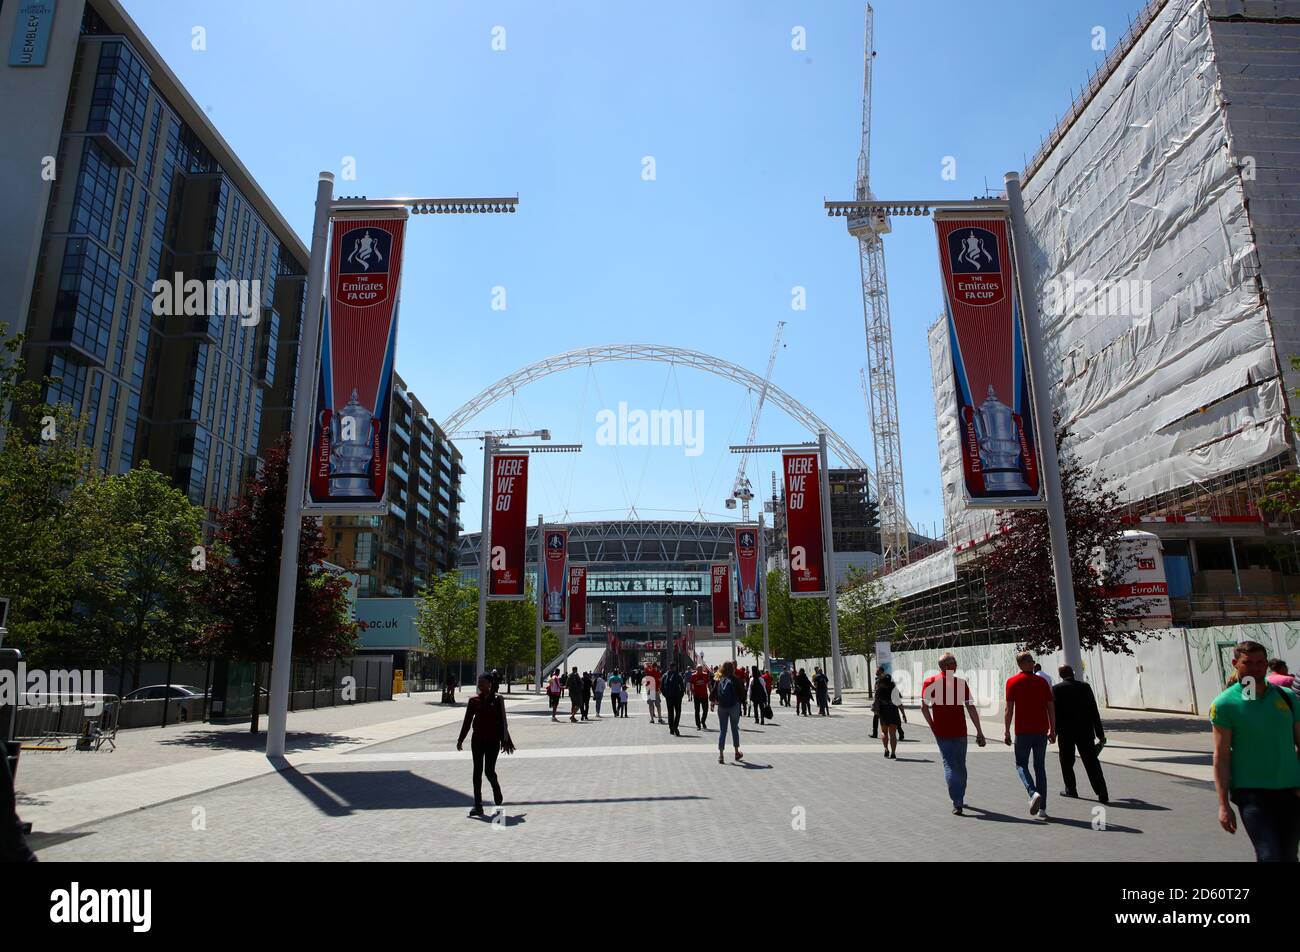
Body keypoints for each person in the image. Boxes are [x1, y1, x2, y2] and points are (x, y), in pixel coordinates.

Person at [1211, 640, 1300, 862]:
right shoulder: (1225, 704)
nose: (1256, 668)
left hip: (1290, 790)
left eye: (1261, 662)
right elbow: (1221, 756)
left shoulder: (1286, 698)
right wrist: (1223, 805)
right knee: (1269, 855)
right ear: (1235, 663)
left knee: (1289, 856)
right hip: (1251, 793)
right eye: (1248, 663)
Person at [920, 653, 986, 815]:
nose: (956, 665)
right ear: (945, 666)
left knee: (950, 764)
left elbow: (924, 707)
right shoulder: (960, 683)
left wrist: (932, 726)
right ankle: (959, 798)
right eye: (953, 663)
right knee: (959, 764)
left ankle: (957, 801)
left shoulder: (930, 682)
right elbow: (971, 707)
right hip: (959, 730)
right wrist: (979, 731)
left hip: (942, 731)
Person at [1004, 651, 1056, 820]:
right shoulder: (1042, 682)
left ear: (1019, 665)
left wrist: (1006, 730)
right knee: (1040, 767)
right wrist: (1052, 729)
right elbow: (1050, 707)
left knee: (1021, 765)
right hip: (1041, 730)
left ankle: (1032, 793)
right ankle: (1043, 809)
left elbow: (1009, 709)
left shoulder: (1012, 682)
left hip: (1023, 730)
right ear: (1031, 663)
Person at [457, 674, 516, 818]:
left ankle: (496, 790)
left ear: (490, 684)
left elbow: (503, 721)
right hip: (477, 741)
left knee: (489, 771)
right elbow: (467, 721)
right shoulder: (473, 701)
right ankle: (478, 806)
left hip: (492, 741)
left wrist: (506, 740)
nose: (480, 685)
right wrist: (460, 739)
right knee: (477, 772)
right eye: (479, 682)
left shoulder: (497, 700)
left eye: (483, 682)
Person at [1052, 665, 1108, 803]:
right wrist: (1100, 733)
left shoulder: (1057, 689)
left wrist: (1054, 731)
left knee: (1066, 761)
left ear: (1060, 675)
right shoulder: (1085, 687)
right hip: (1085, 731)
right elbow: (1094, 711)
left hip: (1066, 732)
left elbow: (1055, 713)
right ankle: (1102, 792)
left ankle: (1071, 789)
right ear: (1073, 673)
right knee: (1091, 762)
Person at [712, 661, 745, 764]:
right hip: (734, 706)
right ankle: (736, 752)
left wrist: (714, 702)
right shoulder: (736, 679)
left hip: (722, 707)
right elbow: (742, 694)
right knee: (734, 729)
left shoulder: (719, 679)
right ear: (733, 668)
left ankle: (721, 755)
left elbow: (713, 694)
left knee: (723, 730)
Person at [873, 674, 903, 758]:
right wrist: (903, 714)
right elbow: (899, 703)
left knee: (884, 732)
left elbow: (876, 703)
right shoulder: (895, 690)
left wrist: (876, 712)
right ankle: (893, 753)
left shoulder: (879, 691)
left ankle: (886, 749)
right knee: (893, 734)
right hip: (893, 712)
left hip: (883, 713)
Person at [662, 663, 686, 736]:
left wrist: (665, 695)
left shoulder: (665, 675)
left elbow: (662, 687)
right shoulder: (678, 675)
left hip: (669, 697)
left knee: (670, 712)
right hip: (677, 697)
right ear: (674, 667)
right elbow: (682, 686)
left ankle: (671, 728)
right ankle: (675, 726)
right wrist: (681, 695)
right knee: (678, 712)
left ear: (669, 667)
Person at [689, 664, 712, 730]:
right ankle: (698, 725)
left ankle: (703, 721)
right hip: (697, 696)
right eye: (699, 669)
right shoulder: (693, 676)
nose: (700, 670)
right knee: (697, 711)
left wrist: (710, 692)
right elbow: (691, 685)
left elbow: (709, 684)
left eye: (701, 669)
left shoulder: (705, 675)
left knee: (705, 710)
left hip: (704, 695)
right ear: (696, 669)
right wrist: (693, 693)